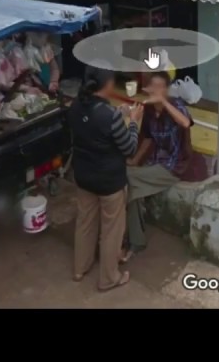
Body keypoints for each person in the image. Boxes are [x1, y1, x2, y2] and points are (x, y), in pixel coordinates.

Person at [68, 66, 139, 291]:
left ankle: (80, 268)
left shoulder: (76, 106)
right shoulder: (109, 116)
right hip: (109, 181)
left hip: (83, 176)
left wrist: (121, 114)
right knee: (111, 230)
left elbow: (94, 126)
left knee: (85, 222)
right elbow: (130, 148)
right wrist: (134, 121)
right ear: (107, 85)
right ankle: (109, 278)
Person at [123, 71, 193, 258]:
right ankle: (135, 242)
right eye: (151, 86)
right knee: (132, 190)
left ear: (166, 90)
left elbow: (185, 123)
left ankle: (127, 240)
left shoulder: (176, 106)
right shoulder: (148, 111)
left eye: (158, 87)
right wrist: (134, 161)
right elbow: (146, 139)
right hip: (154, 161)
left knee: (126, 178)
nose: (153, 90)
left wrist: (164, 103)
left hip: (173, 166)